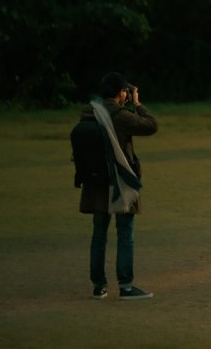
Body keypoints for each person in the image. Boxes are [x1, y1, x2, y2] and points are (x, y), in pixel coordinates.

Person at [79, 71, 158, 299]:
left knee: (98, 234)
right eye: (125, 91)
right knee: (125, 234)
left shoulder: (89, 112)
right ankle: (126, 286)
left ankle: (99, 285)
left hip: (95, 181)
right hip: (120, 182)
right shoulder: (121, 116)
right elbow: (151, 125)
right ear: (120, 92)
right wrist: (138, 104)